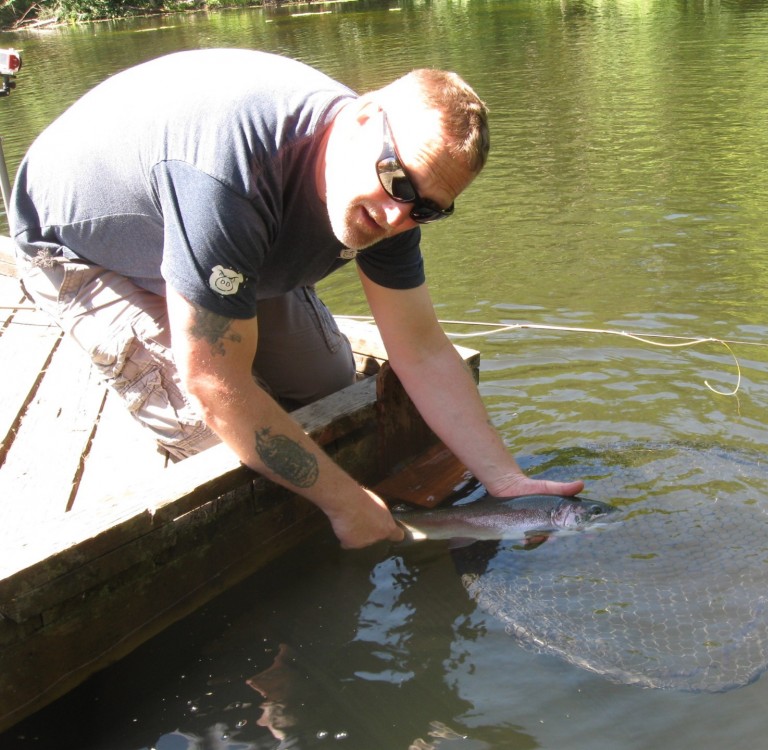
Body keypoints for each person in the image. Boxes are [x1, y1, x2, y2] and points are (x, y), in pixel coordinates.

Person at [10, 48, 582, 549]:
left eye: (428, 207)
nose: (397, 216)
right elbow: (215, 385)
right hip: (83, 249)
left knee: (332, 392)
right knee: (220, 443)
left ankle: (208, 294)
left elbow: (423, 350)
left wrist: (507, 483)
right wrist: (345, 504)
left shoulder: (390, 204)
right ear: (361, 119)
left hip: (228, 247)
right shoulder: (231, 175)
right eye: (399, 182)